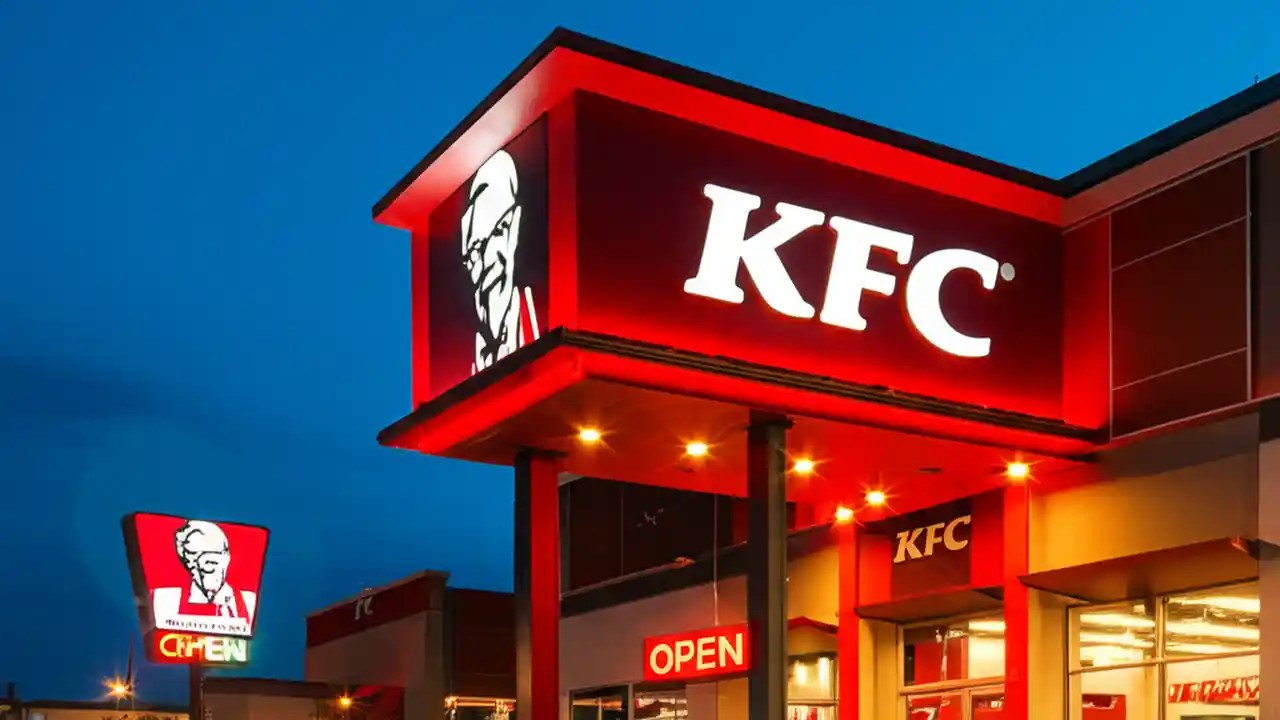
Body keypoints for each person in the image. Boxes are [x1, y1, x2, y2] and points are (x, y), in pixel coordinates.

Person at [461, 149, 539, 374]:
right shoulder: (476, 360)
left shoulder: (532, 323)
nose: (488, 258)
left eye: (498, 231)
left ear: (514, 228)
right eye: (475, 249)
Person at [151, 520, 257, 636]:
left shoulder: (250, 602)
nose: (206, 564)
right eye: (194, 554)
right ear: (185, 560)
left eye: (213, 552)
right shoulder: (162, 601)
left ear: (227, 556)